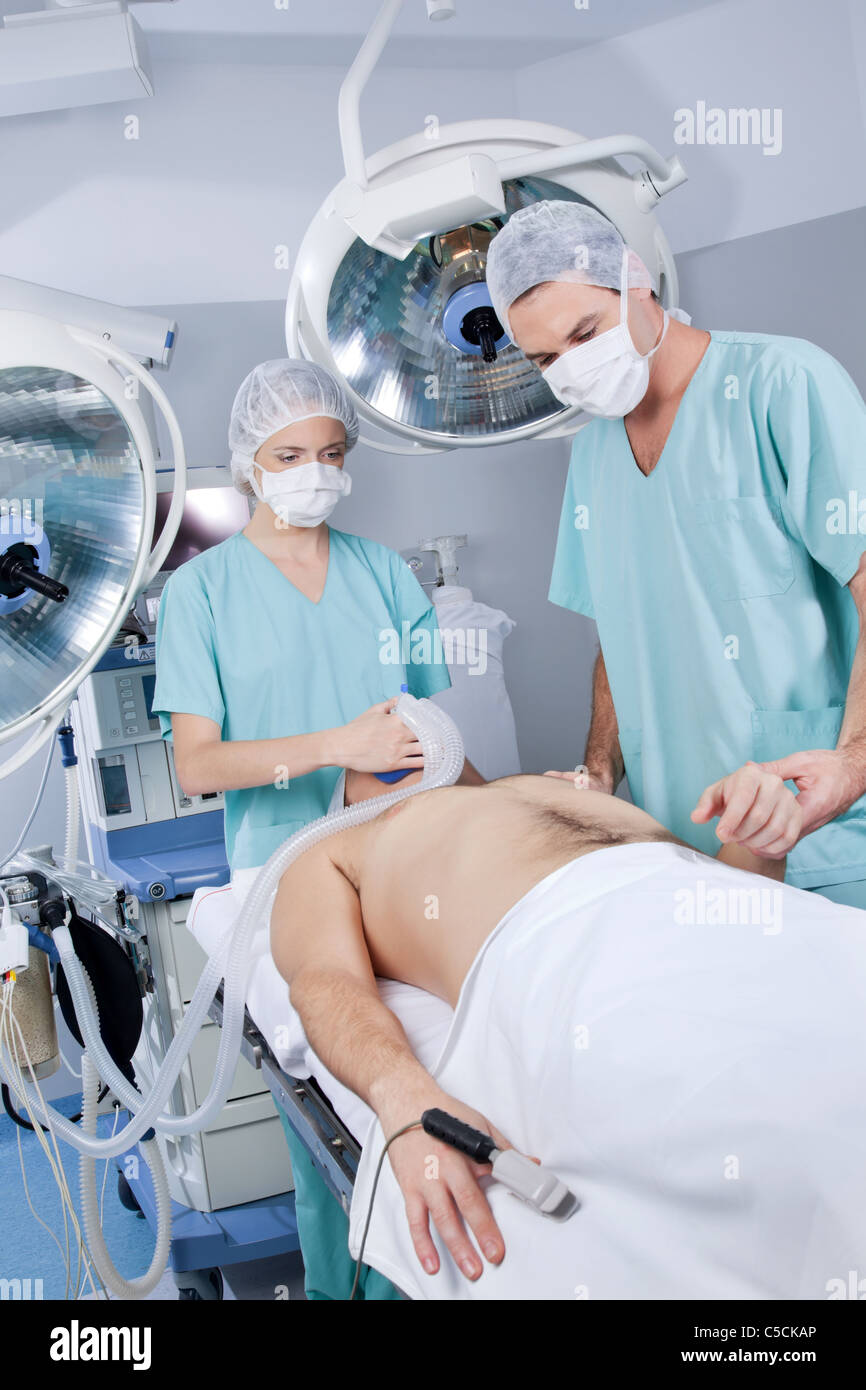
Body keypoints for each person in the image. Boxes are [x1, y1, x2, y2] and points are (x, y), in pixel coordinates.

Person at [267, 760, 865, 1297]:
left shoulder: (550, 787)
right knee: (768, 1116)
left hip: (755, 918)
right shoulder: (332, 853)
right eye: (374, 751)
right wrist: (406, 1104)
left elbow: (734, 916)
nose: (405, 743)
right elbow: (325, 983)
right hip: (574, 952)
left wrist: (759, 835)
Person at [151, 358, 480, 1301]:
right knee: (334, 1131)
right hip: (285, 875)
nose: (316, 471)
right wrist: (336, 745)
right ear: (249, 462)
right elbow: (198, 764)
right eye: (290, 453)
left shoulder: (383, 574)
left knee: (439, 1081)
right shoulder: (202, 593)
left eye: (333, 452)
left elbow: (427, 737)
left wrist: (508, 799)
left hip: (403, 861)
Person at [484, 201, 866, 908]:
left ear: (638, 283)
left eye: (585, 332)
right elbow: (616, 633)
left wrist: (851, 765)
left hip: (823, 839)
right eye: (545, 358)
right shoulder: (593, 451)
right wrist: (598, 772)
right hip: (680, 852)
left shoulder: (781, 385)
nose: (572, 367)